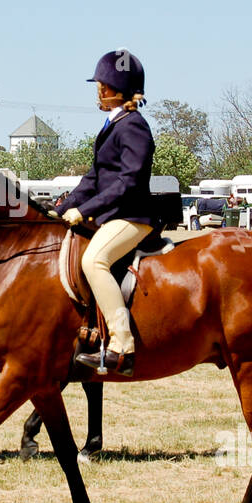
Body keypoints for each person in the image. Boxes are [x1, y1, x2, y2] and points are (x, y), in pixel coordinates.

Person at [55, 49, 157, 376]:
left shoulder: (133, 126)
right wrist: (62, 207)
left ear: (116, 90)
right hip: (113, 215)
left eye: (103, 86)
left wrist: (86, 210)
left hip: (133, 216)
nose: (98, 91)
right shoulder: (112, 126)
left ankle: (122, 343)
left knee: (93, 260)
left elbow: (129, 182)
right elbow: (93, 178)